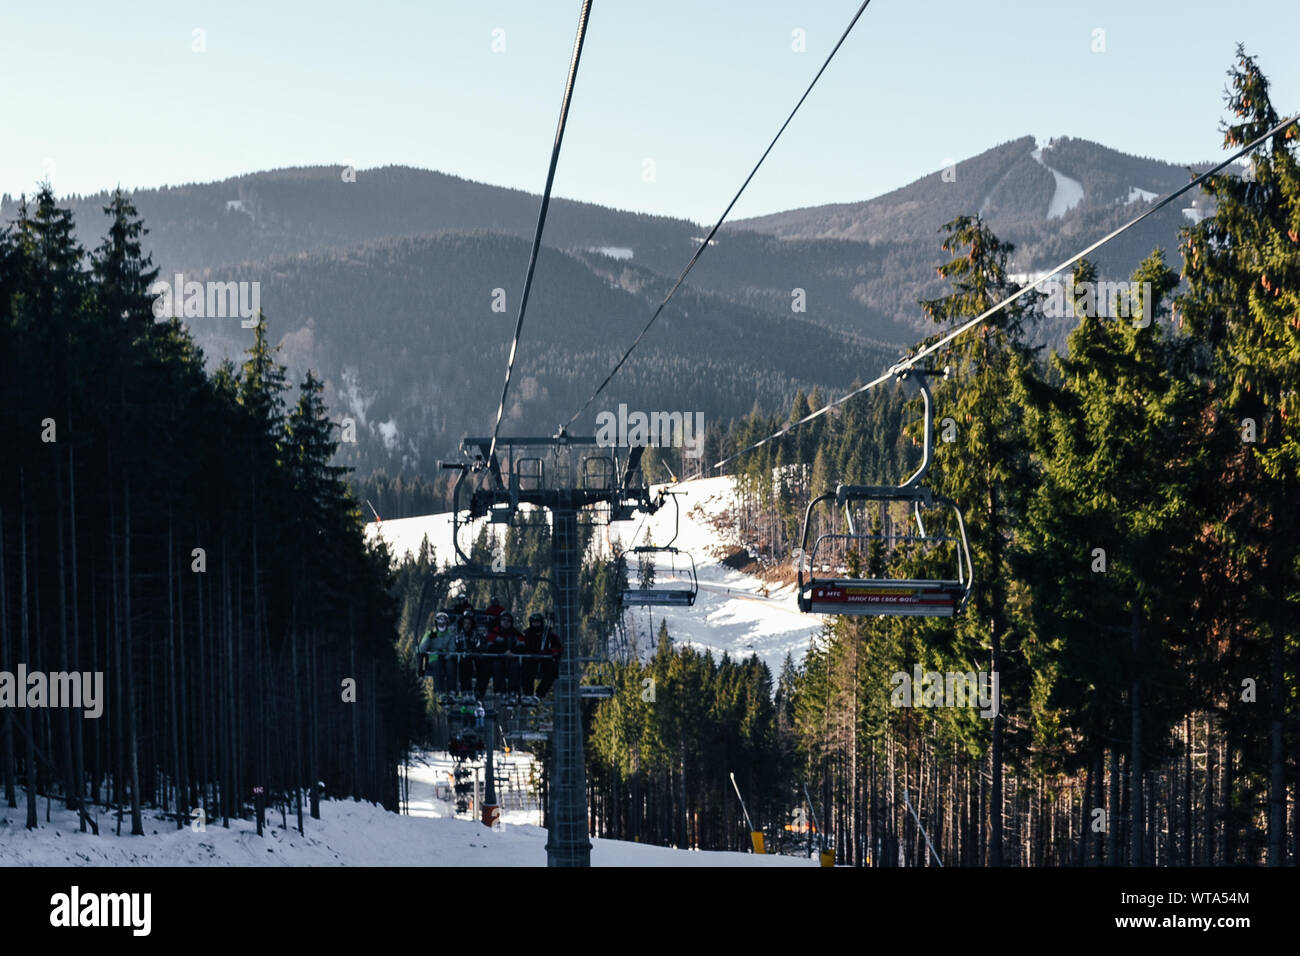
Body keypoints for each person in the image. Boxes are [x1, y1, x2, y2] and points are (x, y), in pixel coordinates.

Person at [420, 612, 455, 697]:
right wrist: (429, 639)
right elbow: (421, 649)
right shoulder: (430, 634)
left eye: (443, 623)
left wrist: (446, 656)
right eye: (439, 623)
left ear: (447, 624)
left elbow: (452, 649)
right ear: (436, 623)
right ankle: (440, 692)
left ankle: (452, 691)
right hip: (434, 659)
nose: (442, 625)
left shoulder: (449, 635)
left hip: (446, 658)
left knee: (450, 665)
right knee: (437, 665)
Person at [534, 616, 562, 700]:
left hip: (545, 662)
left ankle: (540, 693)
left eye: (538, 622)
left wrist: (549, 652)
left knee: (552, 671)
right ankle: (526, 692)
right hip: (531, 660)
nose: (536, 625)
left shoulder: (551, 636)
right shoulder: (529, 634)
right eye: (534, 623)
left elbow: (559, 649)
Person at [454, 611, 479, 700]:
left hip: (473, 658)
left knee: (470, 664)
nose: (467, 625)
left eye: (469, 623)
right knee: (463, 664)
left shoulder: (475, 634)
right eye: (465, 623)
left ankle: (471, 690)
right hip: (462, 658)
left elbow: (477, 645)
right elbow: (456, 646)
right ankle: (464, 690)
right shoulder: (459, 634)